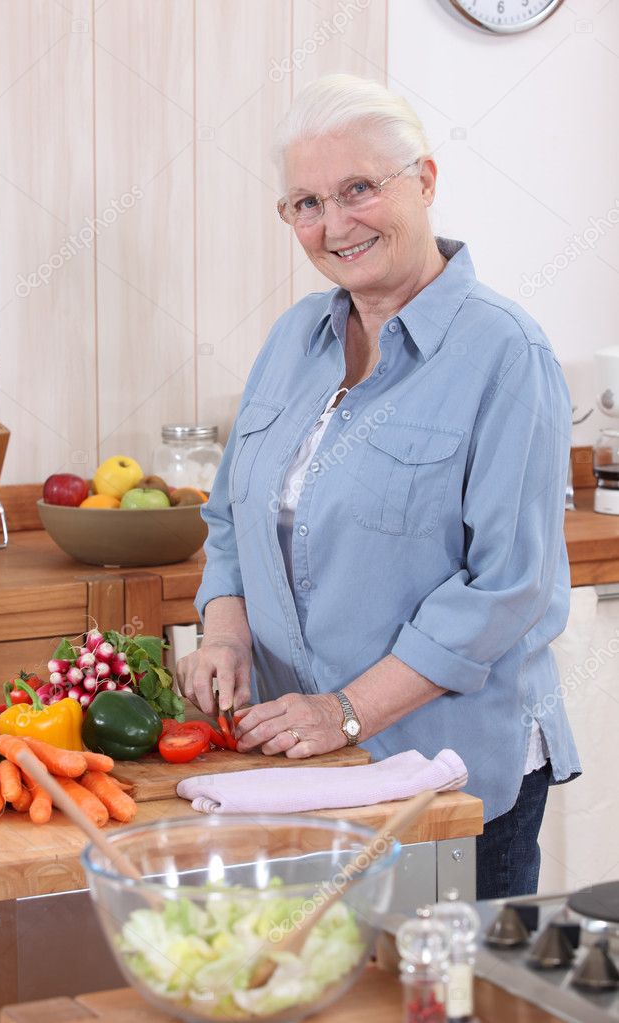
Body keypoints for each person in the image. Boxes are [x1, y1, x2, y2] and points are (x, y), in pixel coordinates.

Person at [176, 74, 580, 900]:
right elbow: (230, 519)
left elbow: (505, 587)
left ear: (425, 181)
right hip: (308, 771)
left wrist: (348, 710)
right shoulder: (294, 339)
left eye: (359, 188)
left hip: (448, 772)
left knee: (437, 995)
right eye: (306, 203)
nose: (335, 224)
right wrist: (223, 633)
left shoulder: (507, 354)